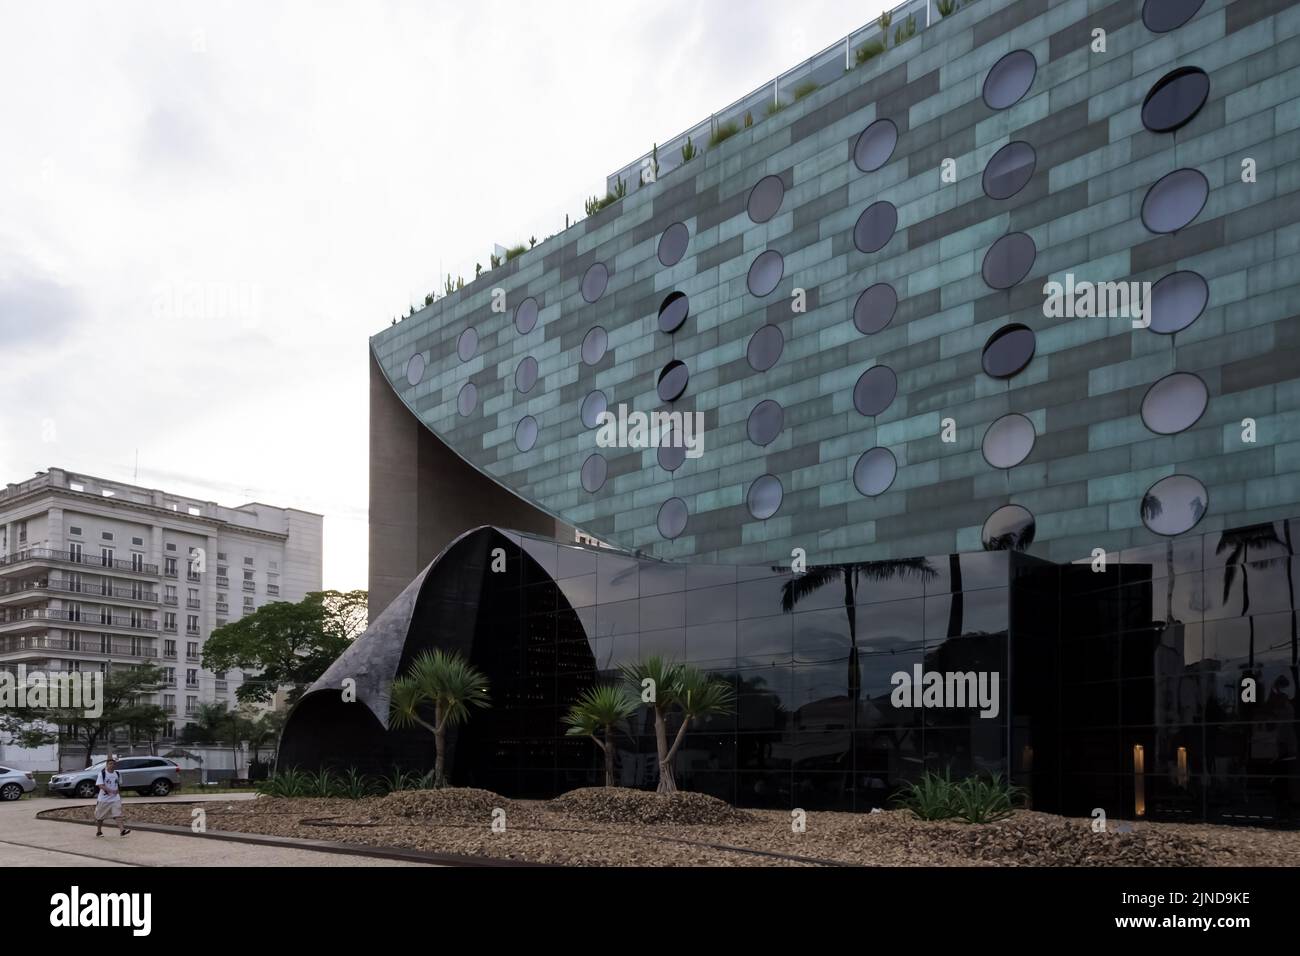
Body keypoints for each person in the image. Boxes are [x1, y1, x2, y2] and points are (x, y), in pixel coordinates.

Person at [94, 756, 131, 837]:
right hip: (104, 799)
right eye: (110, 764)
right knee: (100, 817)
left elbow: (118, 784)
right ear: (107, 765)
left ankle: (122, 831)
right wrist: (110, 791)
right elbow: (100, 785)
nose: (112, 765)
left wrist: (118, 792)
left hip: (115, 798)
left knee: (118, 814)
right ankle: (99, 831)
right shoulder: (102, 774)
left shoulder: (117, 773)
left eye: (113, 764)